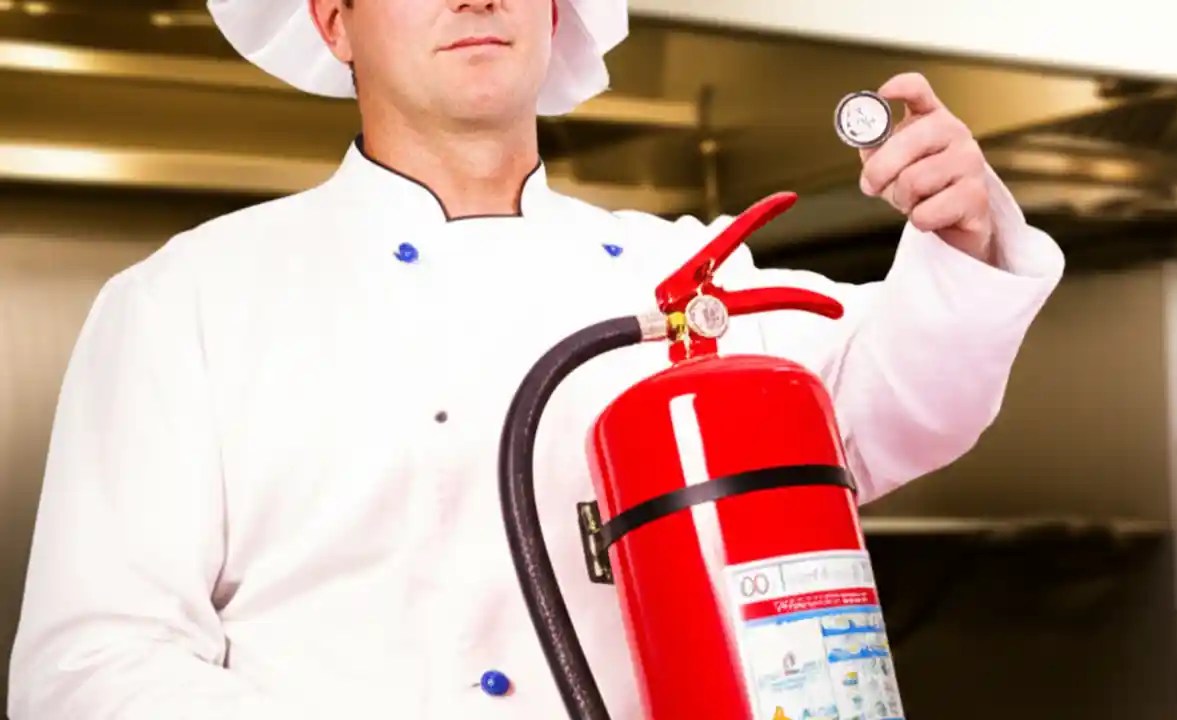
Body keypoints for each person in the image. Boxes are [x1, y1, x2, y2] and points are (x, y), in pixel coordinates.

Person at [7, 0, 1065, 718]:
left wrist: (960, 236)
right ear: (333, 18)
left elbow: (893, 403)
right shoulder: (186, 301)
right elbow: (94, 670)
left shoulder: (687, 272)